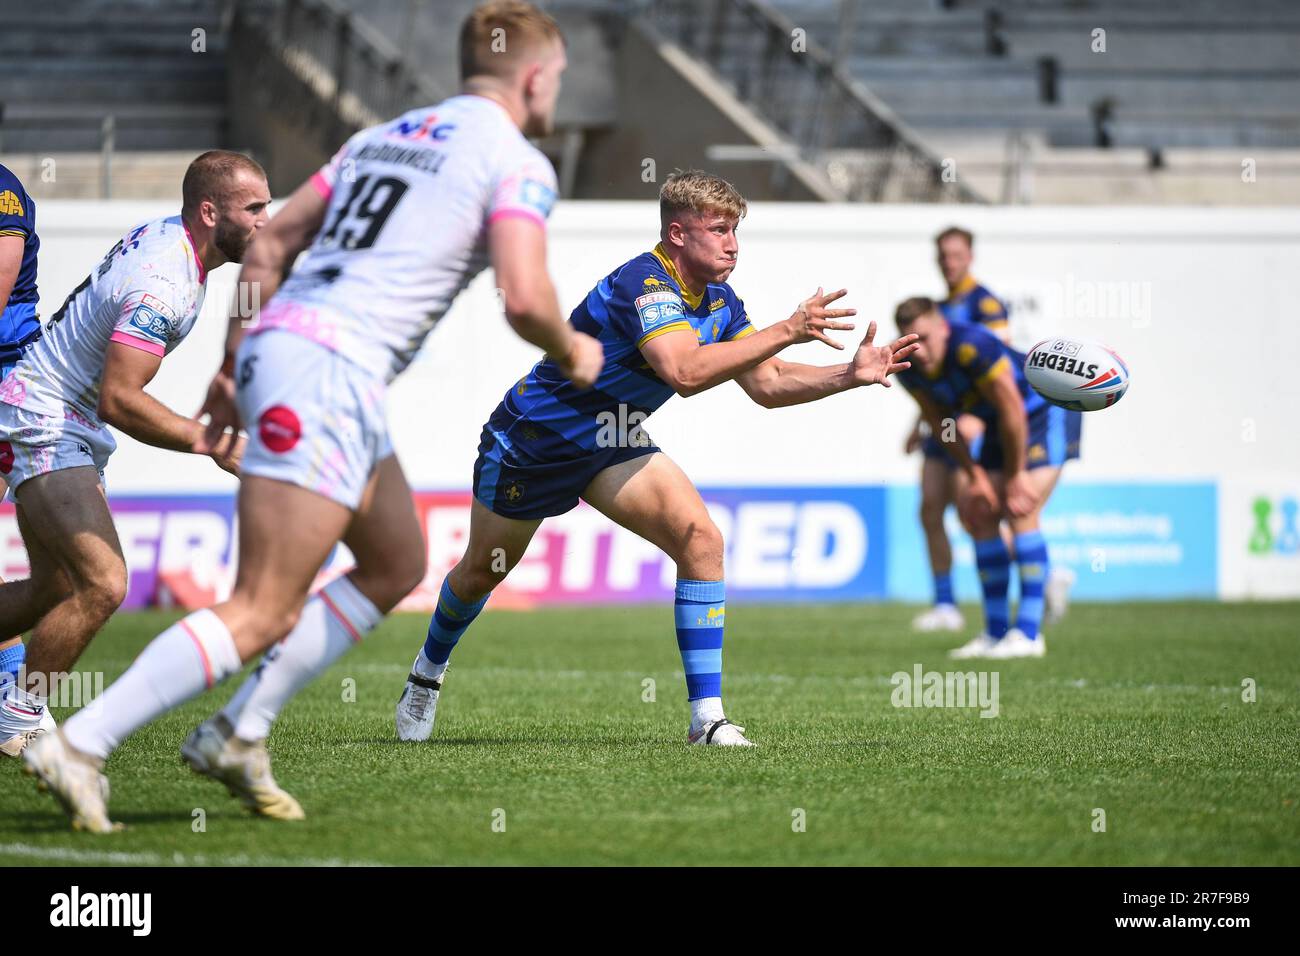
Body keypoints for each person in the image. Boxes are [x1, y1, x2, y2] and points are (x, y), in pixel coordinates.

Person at [25, 0, 604, 833]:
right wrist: (572, 348)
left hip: (297, 357)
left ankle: (239, 731)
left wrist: (236, 356)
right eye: (562, 81)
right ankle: (81, 742)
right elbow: (524, 297)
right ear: (539, 75)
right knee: (263, 604)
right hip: (328, 370)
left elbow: (267, 245)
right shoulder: (517, 162)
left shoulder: (383, 136)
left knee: (397, 556)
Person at [394, 169, 918, 748]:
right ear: (676, 233)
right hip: (534, 441)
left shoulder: (718, 299)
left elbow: (766, 383)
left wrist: (849, 374)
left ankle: (707, 719)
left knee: (702, 540)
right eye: (719, 229)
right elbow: (684, 372)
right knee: (482, 572)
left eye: (736, 229)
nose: (732, 243)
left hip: (612, 436)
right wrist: (789, 327)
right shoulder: (643, 285)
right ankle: (427, 672)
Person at [0, 151, 266, 758]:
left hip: (52, 408)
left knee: (55, 587)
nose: (265, 220)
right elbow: (122, 399)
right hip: (45, 417)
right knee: (104, 584)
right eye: (254, 208)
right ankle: (18, 716)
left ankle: (16, 709)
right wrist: (212, 443)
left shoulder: (174, 242)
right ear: (209, 211)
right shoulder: (165, 282)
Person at [892, 297, 1080, 660]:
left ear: (943, 327)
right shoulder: (909, 366)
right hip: (1000, 424)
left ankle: (1027, 635)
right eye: (912, 340)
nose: (921, 349)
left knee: (1020, 509)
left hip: (1040, 413)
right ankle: (995, 633)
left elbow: (1012, 407)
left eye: (927, 338)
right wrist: (973, 474)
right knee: (978, 512)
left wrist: (1013, 476)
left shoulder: (971, 347)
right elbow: (941, 423)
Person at [906, 226, 1012, 633]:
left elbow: (992, 366)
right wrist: (919, 423)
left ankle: (1039, 569)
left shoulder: (986, 305)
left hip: (969, 423)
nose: (949, 263)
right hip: (944, 423)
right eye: (943, 256)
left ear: (970, 257)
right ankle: (946, 604)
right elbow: (933, 377)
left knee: (974, 512)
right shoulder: (938, 307)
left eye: (956, 255)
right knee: (930, 508)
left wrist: (978, 418)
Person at [0, 163, 44, 698]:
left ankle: (18, 690)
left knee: (77, 575)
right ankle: (16, 692)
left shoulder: (3, 192)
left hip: (13, 378)